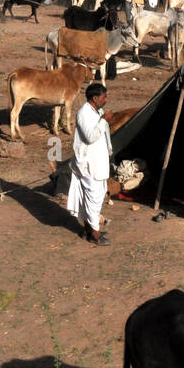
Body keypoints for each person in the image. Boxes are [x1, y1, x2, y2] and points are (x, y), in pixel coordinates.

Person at [67, 82, 112, 246]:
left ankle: (89, 229)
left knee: (95, 196)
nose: (106, 99)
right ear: (95, 98)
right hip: (88, 164)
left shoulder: (96, 110)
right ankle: (95, 234)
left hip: (97, 162)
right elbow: (90, 136)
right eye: (104, 96)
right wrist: (104, 121)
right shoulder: (84, 113)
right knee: (93, 197)